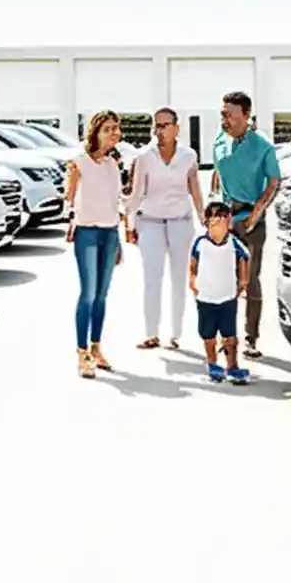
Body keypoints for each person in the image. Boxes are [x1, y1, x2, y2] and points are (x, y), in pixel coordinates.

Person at [124, 107, 204, 350]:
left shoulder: (188, 156)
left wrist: (204, 219)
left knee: (180, 279)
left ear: (176, 127)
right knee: (152, 278)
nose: (159, 131)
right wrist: (129, 223)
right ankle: (151, 333)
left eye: (164, 125)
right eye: (156, 126)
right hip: (150, 221)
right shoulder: (144, 156)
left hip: (181, 221)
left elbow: (195, 188)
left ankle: (176, 334)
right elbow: (136, 192)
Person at [210, 91, 280, 359]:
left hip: (251, 219)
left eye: (230, 114)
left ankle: (251, 339)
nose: (225, 119)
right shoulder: (220, 139)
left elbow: (274, 182)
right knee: (222, 281)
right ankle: (226, 336)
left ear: (246, 116)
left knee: (249, 280)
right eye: (223, 113)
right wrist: (215, 205)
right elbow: (217, 172)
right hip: (225, 219)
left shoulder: (263, 146)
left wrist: (256, 215)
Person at [64, 110, 125, 379]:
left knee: (102, 295)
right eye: (108, 128)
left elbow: (116, 201)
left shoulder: (113, 164)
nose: (114, 133)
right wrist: (71, 220)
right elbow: (69, 198)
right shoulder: (79, 163)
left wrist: (120, 238)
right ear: (95, 133)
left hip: (109, 233)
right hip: (87, 233)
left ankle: (96, 347)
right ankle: (81, 353)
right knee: (88, 294)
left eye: (116, 128)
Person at [189, 201, 250, 384]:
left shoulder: (234, 243)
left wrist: (244, 280)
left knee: (230, 335)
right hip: (206, 297)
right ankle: (213, 364)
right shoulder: (200, 243)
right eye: (216, 216)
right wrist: (192, 282)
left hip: (227, 297)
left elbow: (244, 257)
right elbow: (193, 264)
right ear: (207, 221)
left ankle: (232, 366)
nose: (220, 220)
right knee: (208, 335)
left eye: (224, 216)